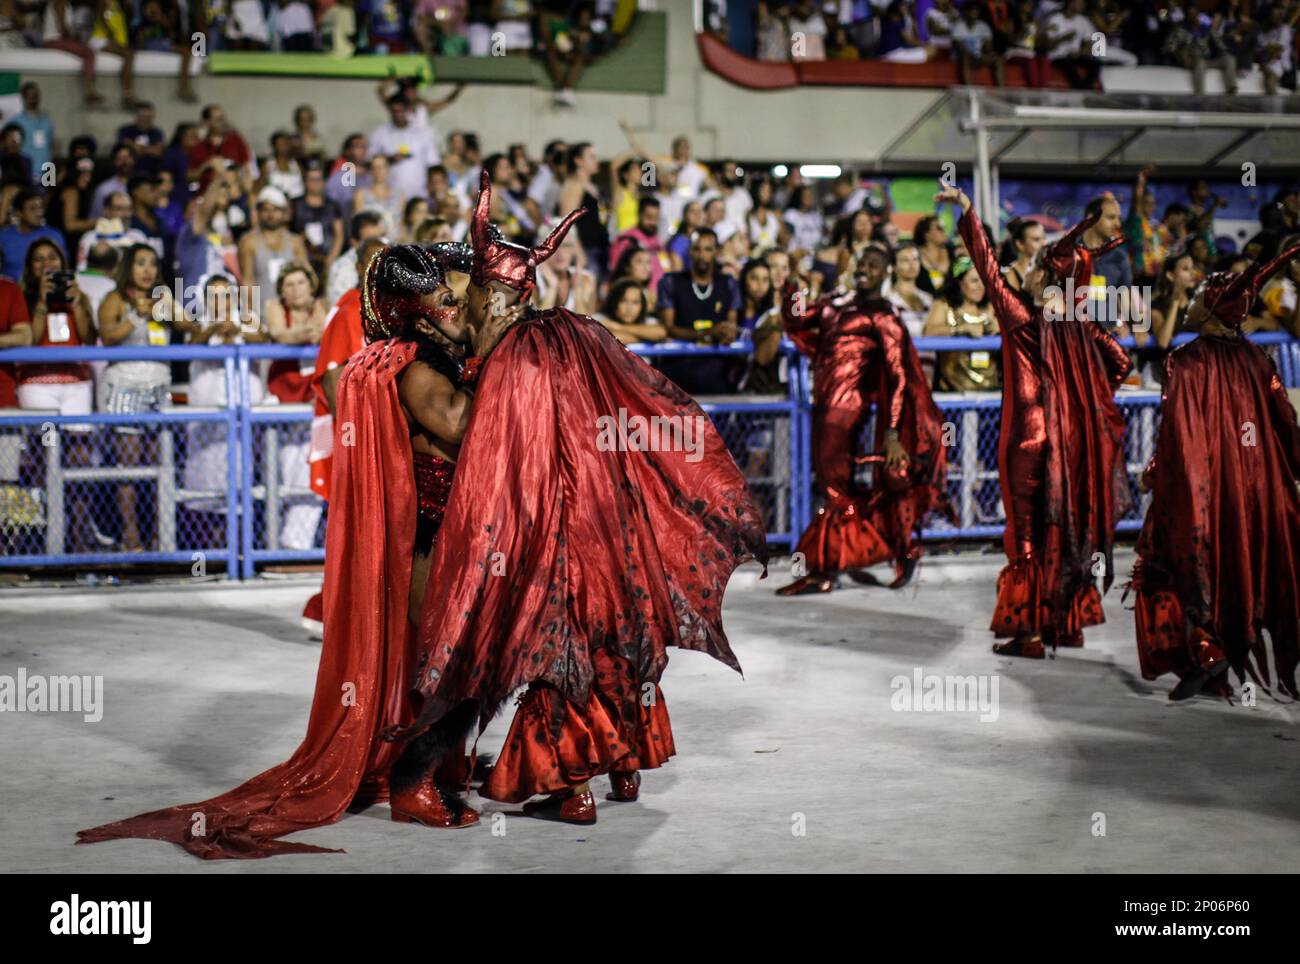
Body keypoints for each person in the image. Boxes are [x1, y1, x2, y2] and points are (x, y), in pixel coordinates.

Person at [78, 239, 518, 856]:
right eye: (445, 300)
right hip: (431, 536)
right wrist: (502, 351)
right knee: (461, 662)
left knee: (459, 660)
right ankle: (414, 783)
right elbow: (467, 424)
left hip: (459, 531)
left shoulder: (443, 354)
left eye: (454, 298)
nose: (457, 309)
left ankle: (434, 770)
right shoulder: (419, 366)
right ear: (418, 314)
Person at [383, 171, 767, 825]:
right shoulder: (568, 333)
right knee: (568, 647)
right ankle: (582, 775)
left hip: (545, 530)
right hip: (593, 525)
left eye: (466, 297)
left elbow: (504, 449)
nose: (462, 310)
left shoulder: (515, 356)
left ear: (488, 293)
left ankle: (444, 778)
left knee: (498, 643)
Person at [942, 182, 1131, 659]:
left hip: (1027, 440)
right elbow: (1122, 364)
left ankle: (1028, 633)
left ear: (1044, 276)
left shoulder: (1020, 318)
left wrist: (967, 211)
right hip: (1069, 442)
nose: (1023, 272)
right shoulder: (1083, 327)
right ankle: (1065, 626)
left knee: (1024, 535)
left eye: (1032, 266)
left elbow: (985, 265)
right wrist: (1086, 400)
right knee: (1061, 527)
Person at [1129, 243, 1300, 701]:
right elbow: (1286, 421)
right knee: (1244, 569)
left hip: (1204, 490)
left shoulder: (1183, 363)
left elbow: (1177, 435)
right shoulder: (1259, 361)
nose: (1194, 299)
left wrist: (1154, 474)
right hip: (1258, 491)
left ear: (1212, 309)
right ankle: (1219, 651)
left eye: (1203, 294)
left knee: (1181, 564)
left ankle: (1207, 652)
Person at [776, 247, 947, 595]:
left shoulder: (884, 316)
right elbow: (794, 320)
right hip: (824, 406)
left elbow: (900, 378)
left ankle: (824, 570)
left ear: (886, 273)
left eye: (874, 265)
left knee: (836, 490)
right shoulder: (837, 304)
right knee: (838, 489)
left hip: (845, 411)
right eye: (862, 264)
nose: (864, 270)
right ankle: (893, 549)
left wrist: (893, 433)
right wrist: (794, 278)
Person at [97, 243, 178, 552]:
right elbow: (107, 337)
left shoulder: (163, 298)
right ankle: (131, 536)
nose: (147, 270)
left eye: (152, 263)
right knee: (128, 468)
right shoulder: (114, 299)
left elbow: (189, 327)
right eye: (140, 263)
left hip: (159, 387)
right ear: (128, 267)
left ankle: (162, 534)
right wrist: (136, 316)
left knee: (162, 465)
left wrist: (169, 308)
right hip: (125, 388)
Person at [656, 227, 742, 395]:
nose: (702, 255)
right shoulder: (671, 282)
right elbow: (669, 328)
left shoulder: (728, 283)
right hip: (679, 372)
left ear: (717, 252)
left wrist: (728, 333)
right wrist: (708, 333)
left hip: (717, 372)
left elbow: (731, 324)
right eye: (697, 249)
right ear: (689, 251)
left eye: (708, 249)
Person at [0, 189, 65, 281]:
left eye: (40, 207)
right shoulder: (3, 237)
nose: (39, 213)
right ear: (19, 213)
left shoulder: (54, 235)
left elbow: (64, 269)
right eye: (32, 208)